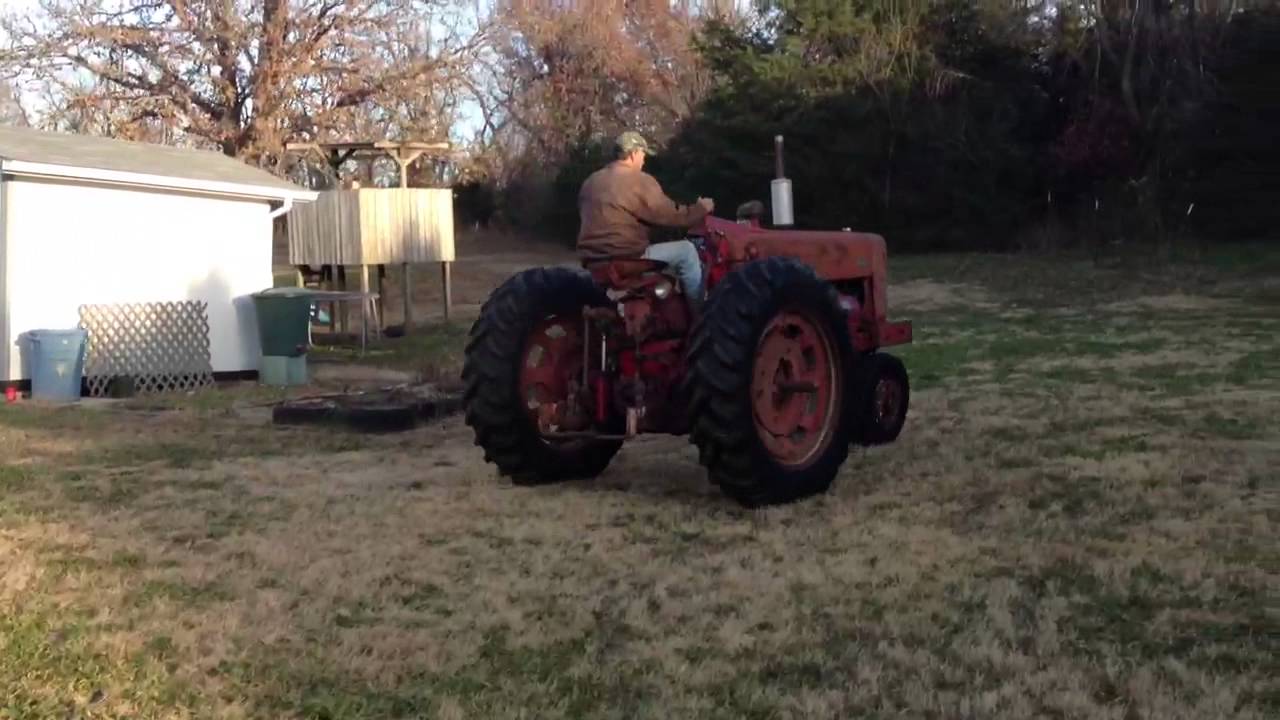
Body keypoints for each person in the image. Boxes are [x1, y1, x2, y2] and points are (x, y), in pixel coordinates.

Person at [577, 131, 714, 314]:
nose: (643, 161)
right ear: (634, 153)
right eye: (643, 155)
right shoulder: (637, 180)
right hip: (626, 257)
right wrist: (701, 208)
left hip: (594, 262)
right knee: (687, 251)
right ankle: (702, 317)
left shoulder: (591, 181)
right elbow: (671, 216)